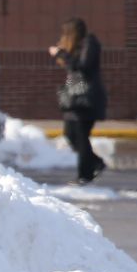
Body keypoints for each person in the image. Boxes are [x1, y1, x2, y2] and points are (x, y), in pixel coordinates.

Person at [48, 17, 107, 184]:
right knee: (70, 134)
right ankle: (95, 163)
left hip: (87, 98)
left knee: (80, 137)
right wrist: (63, 53)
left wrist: (61, 53)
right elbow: (73, 65)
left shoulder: (90, 44)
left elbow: (82, 66)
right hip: (75, 98)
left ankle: (84, 175)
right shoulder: (79, 47)